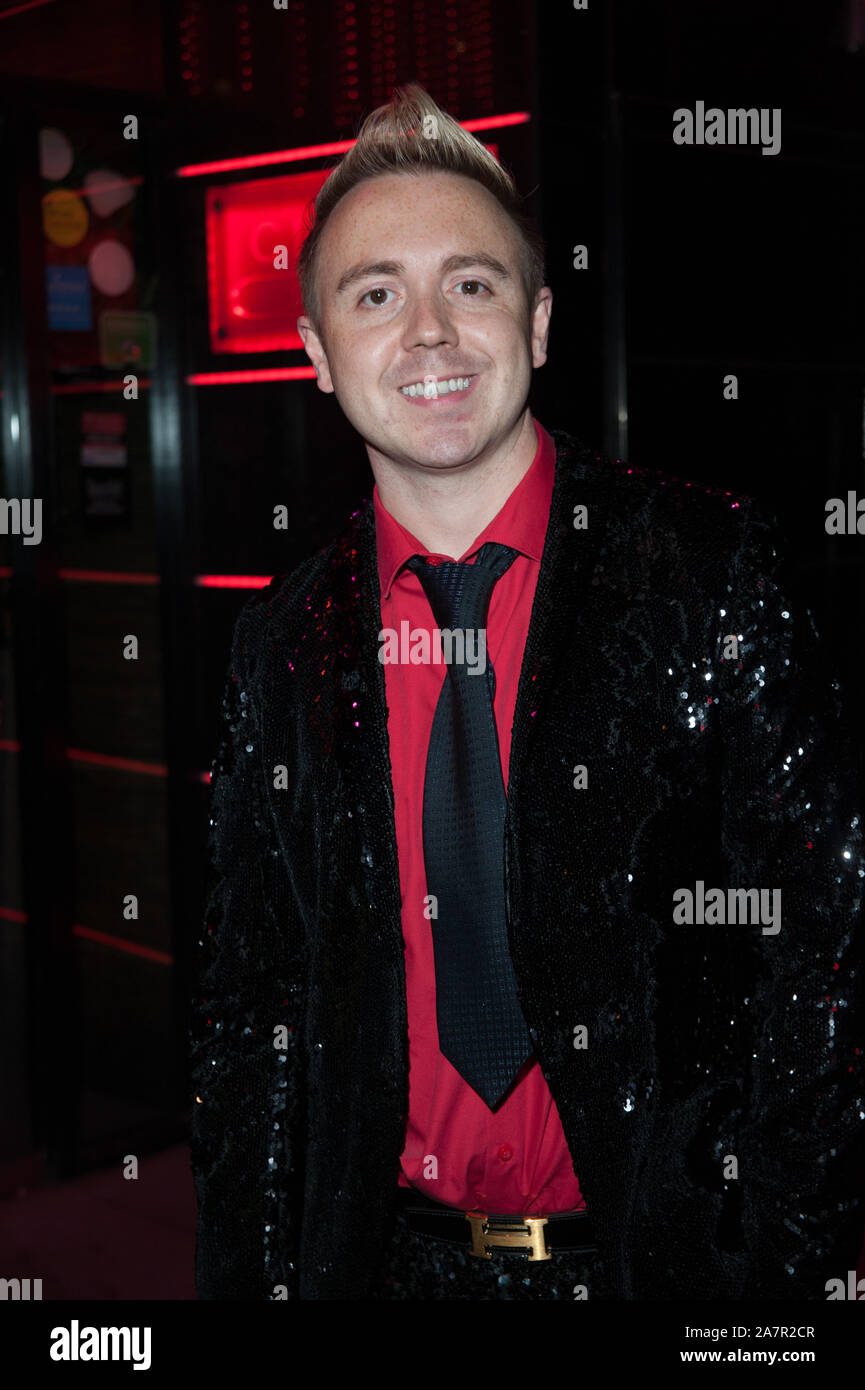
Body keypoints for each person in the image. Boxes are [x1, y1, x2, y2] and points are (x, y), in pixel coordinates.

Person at [189, 83, 865, 1301]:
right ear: (318, 356)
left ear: (540, 323)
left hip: (666, 1271)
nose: (432, 332)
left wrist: (787, 1275)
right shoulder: (279, 647)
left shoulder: (707, 570)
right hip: (387, 1271)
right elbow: (252, 1017)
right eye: (376, 294)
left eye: (474, 283)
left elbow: (827, 941)